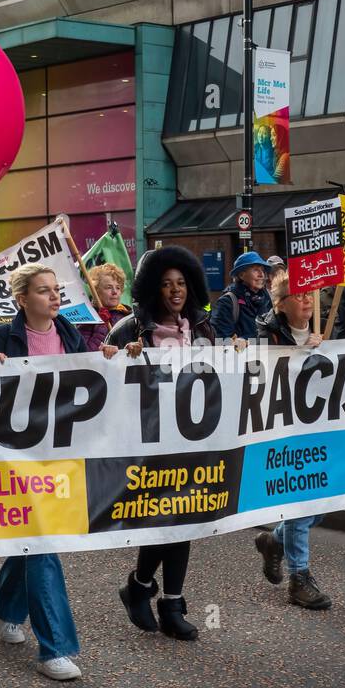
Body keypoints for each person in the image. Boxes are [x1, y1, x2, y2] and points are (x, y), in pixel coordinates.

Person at [0, 264, 112, 681]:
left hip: (61, 457)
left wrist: (106, 359)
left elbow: (92, 378)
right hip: (16, 459)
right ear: (22, 299)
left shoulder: (70, 335)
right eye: (43, 291)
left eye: (56, 290)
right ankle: (55, 646)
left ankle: (2, 604)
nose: (54, 297)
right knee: (42, 540)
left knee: (34, 539)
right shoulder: (2, 339)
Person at [108, 246, 230, 640]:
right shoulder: (130, 330)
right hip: (149, 443)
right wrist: (114, 357)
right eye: (165, 284)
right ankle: (144, 589)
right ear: (152, 288)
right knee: (165, 521)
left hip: (194, 442)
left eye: (181, 283)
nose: (175, 291)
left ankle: (161, 598)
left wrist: (238, 352)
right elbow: (101, 379)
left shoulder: (203, 329)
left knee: (185, 519)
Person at [249, 272, 333, 610]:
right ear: (281, 303)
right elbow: (263, 369)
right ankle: (300, 578)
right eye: (299, 295)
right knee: (300, 503)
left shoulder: (328, 329)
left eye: (310, 294)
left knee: (322, 505)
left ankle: (274, 541)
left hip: (321, 425)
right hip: (284, 427)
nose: (307, 300)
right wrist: (300, 351)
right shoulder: (265, 330)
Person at [210, 251, 272, 340]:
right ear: (241, 275)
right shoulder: (227, 302)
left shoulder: (267, 298)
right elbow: (222, 341)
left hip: (269, 353)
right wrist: (244, 342)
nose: (261, 274)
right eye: (256, 270)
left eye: (262, 270)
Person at [79, 263, 132, 351]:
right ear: (96, 291)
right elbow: (85, 352)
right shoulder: (88, 317)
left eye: (118, 288)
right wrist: (103, 323)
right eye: (109, 287)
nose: (115, 292)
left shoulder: (129, 317)